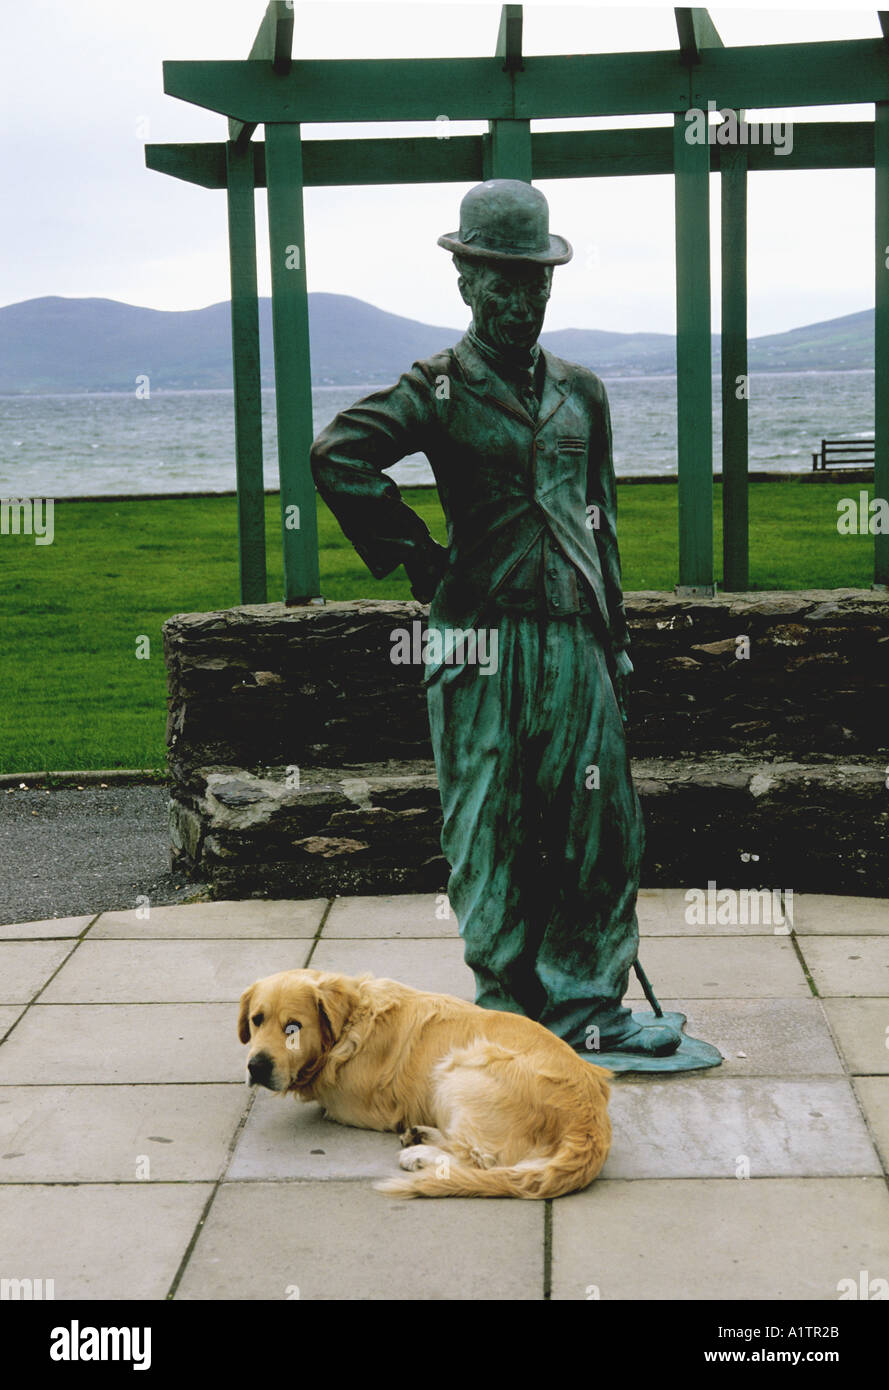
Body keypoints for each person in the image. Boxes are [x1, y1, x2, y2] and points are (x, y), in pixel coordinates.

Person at [311, 179, 687, 1062]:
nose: (521, 300)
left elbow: (600, 519)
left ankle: (587, 1003)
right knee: (488, 825)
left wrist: (616, 637)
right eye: (503, 283)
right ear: (467, 284)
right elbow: (339, 453)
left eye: (535, 283)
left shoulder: (581, 394)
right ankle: (506, 1003)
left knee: (599, 827)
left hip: (573, 639)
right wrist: (414, 551)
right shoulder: (438, 389)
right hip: (477, 640)